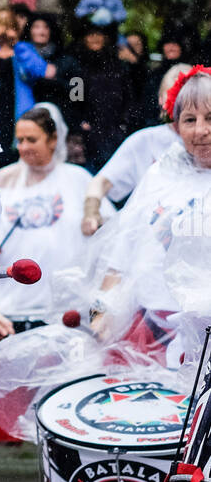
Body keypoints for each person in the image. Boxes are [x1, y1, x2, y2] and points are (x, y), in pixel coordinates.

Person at [0, 103, 111, 450]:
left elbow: (111, 238)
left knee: (59, 413)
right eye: (19, 140)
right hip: (9, 314)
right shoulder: (2, 181)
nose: (23, 148)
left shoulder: (79, 181)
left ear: (53, 139)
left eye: (32, 139)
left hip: (62, 317)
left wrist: (96, 223)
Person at [89, 65, 211, 360]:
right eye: (189, 119)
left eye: (210, 117)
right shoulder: (159, 174)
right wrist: (104, 308)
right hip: (151, 319)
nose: (200, 130)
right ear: (176, 125)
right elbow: (125, 243)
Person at [82, 63, 188, 234]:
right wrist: (91, 213)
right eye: (172, 97)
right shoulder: (146, 140)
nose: (179, 107)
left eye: (187, 100)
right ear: (161, 99)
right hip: (150, 236)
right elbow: (101, 181)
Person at [0, 8, 51, 152]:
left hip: (19, 111)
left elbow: (40, 70)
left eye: (7, 24)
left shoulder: (23, 49)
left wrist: (17, 43)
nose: (3, 29)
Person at [59, 16, 134, 171]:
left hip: (114, 129)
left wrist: (124, 123)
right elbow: (75, 99)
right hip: (90, 133)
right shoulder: (78, 67)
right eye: (90, 34)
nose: (94, 38)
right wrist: (81, 122)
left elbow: (128, 97)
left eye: (98, 34)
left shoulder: (118, 67)